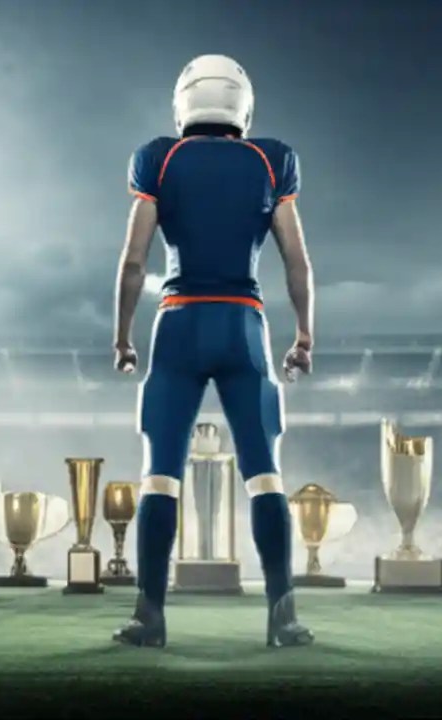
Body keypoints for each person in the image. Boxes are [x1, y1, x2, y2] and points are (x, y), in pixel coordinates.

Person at [110, 54, 316, 648]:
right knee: (264, 473)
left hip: (176, 323)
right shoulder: (271, 158)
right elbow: (296, 261)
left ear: (185, 101)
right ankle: (283, 617)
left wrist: (123, 338)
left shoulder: (159, 157)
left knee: (160, 476)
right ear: (242, 104)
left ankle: (150, 617)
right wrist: (305, 336)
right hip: (244, 324)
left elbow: (133, 261)